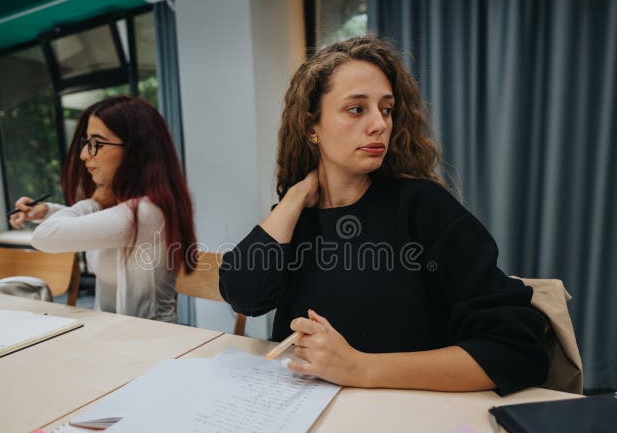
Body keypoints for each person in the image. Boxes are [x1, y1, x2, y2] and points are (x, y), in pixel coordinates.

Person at [219, 36, 549, 394]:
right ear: (311, 126)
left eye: (386, 109)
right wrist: (295, 197)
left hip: (395, 426)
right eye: (357, 109)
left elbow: (518, 350)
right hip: (300, 419)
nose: (380, 124)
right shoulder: (296, 214)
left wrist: (361, 368)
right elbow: (243, 295)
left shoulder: (423, 207)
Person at [9, 95, 196, 322]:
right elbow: (99, 222)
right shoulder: (135, 207)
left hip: (147, 342)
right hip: (115, 332)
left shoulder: (146, 212)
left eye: (96, 143)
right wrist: (47, 211)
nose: (84, 154)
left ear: (135, 150)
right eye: (86, 142)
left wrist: (92, 203)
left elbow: (44, 237)